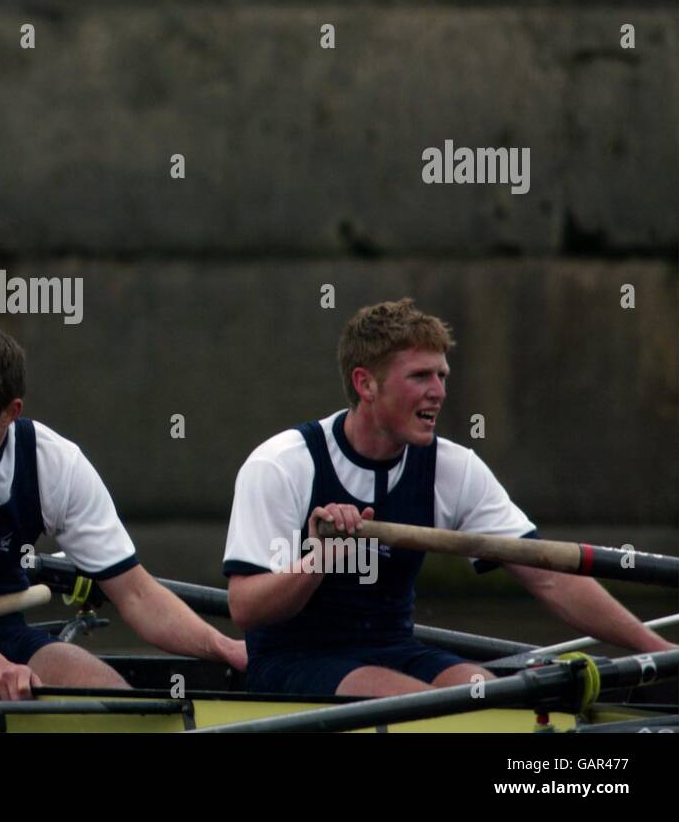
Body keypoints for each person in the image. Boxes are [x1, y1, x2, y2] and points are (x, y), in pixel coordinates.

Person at [224, 298, 672, 698]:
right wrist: (318, 561)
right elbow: (246, 609)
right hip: (293, 662)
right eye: (420, 376)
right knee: (418, 708)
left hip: (395, 650)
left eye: (442, 375)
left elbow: (550, 578)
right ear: (366, 384)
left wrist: (662, 653)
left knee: (487, 697)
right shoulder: (282, 465)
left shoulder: (453, 469)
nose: (438, 391)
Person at [0, 322, 246, 699]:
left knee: (102, 690)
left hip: (5, 635)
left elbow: (137, 595)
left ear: (10, 412)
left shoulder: (52, 462)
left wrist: (225, 648)